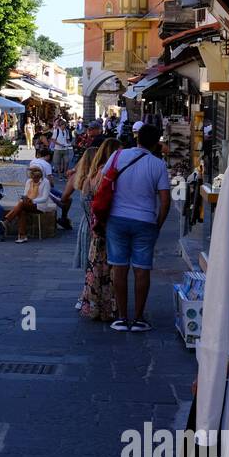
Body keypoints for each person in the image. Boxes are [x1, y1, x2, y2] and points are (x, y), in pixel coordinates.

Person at [104, 123, 171, 332]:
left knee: (119, 268)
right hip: (145, 221)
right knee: (142, 270)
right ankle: (139, 318)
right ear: (156, 143)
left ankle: (122, 317)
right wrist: (158, 223)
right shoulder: (158, 164)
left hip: (117, 218)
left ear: (137, 138)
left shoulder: (117, 156)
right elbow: (165, 200)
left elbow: (101, 182)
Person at [76, 139, 121, 320]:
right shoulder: (107, 174)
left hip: (93, 228)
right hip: (105, 228)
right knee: (109, 271)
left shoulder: (91, 176)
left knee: (95, 271)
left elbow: (86, 203)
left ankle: (93, 305)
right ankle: (108, 308)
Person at [62, 147, 105, 285]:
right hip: (99, 223)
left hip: (86, 222)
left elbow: (65, 196)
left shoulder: (79, 177)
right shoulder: (100, 177)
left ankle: (87, 293)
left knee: (89, 264)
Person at [5, 165, 55, 243]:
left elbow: (44, 198)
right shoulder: (29, 181)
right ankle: (22, 236)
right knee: (22, 210)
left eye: (36, 178)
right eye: (33, 178)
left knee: (21, 205)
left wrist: (33, 201)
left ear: (39, 176)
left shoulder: (45, 182)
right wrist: (25, 199)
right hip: (28, 204)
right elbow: (25, 194)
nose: (34, 180)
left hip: (39, 206)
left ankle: (7, 220)